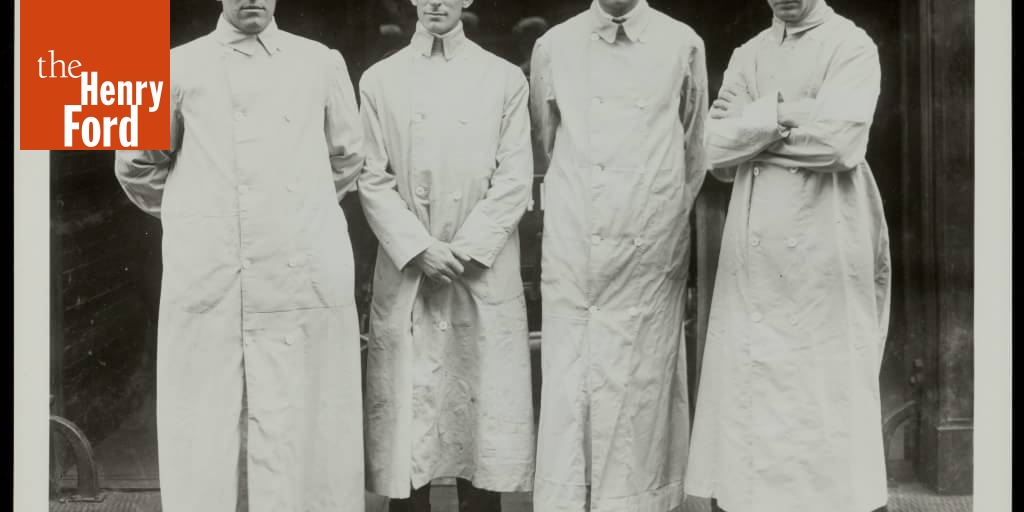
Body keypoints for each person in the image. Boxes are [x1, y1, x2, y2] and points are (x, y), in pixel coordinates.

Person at [112, 0, 366, 510]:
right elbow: (137, 165)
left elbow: (347, 157)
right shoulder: (174, 64)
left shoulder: (319, 62)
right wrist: (202, 214)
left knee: (304, 411)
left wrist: (288, 212)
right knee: (202, 410)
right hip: (212, 265)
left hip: (300, 264)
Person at [684, 1, 892, 512]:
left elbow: (841, 146)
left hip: (825, 233)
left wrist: (752, 134)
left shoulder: (851, 44)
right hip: (755, 241)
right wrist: (786, 113)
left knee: (819, 383)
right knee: (757, 388)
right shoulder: (748, 53)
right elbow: (712, 150)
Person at [528, 0, 709, 510]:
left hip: (650, 246)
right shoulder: (555, 45)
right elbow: (548, 144)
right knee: (572, 384)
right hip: (576, 243)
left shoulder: (683, 43)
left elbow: (694, 151)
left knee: (644, 389)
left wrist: (655, 208)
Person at [357, 0, 536, 511]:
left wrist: (466, 250)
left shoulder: (503, 79)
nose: (436, 2)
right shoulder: (379, 80)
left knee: (477, 432)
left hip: (479, 269)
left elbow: (515, 175)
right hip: (411, 268)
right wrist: (418, 249)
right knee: (411, 435)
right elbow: (370, 175)